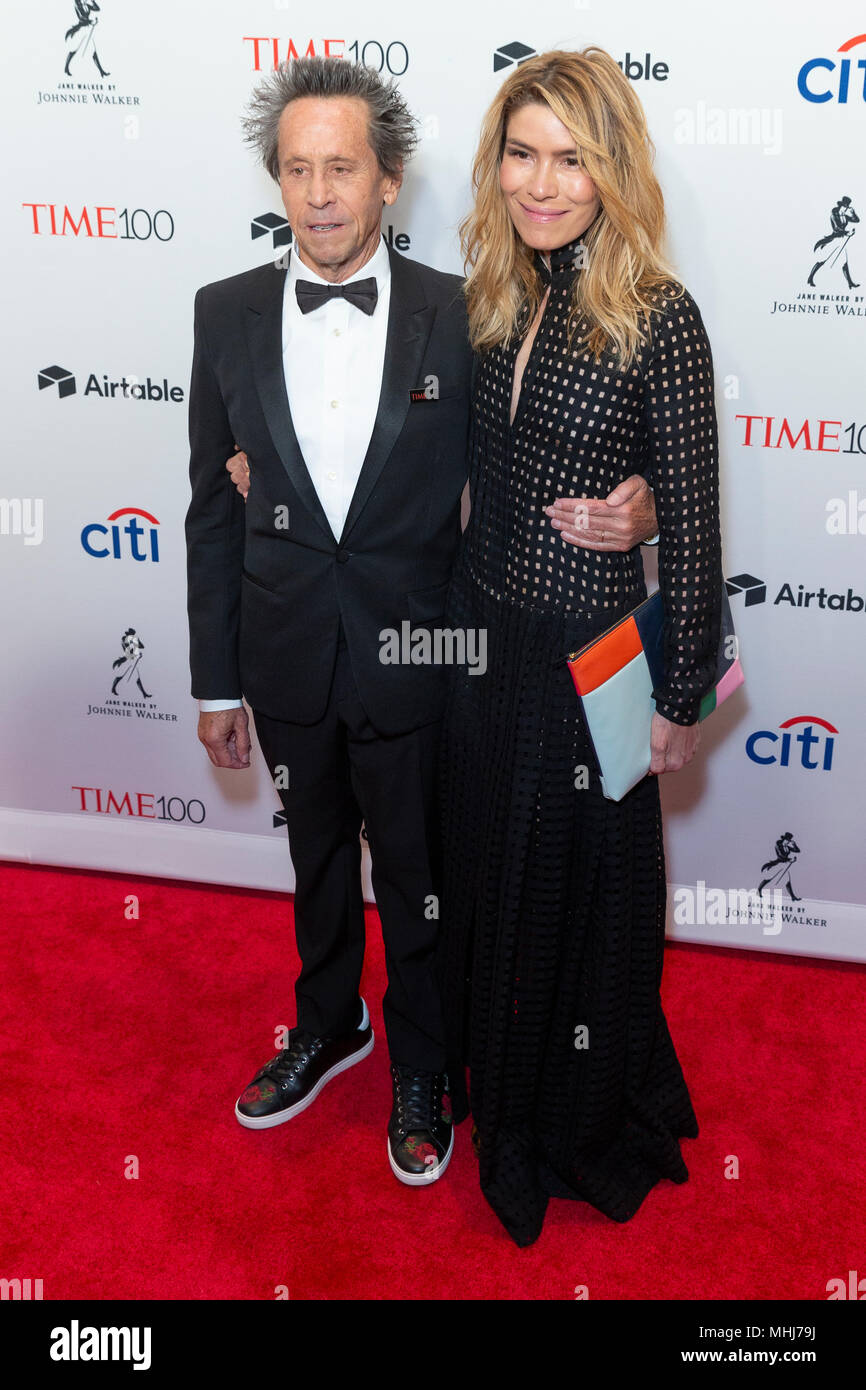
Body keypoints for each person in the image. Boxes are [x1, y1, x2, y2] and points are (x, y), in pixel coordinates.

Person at [203, 58, 658, 1190]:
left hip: (425, 655)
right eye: (298, 170)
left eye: (342, 167)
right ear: (277, 180)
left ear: (389, 179)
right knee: (312, 861)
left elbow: (557, 434)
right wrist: (218, 682)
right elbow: (210, 512)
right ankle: (325, 1024)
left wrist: (639, 499)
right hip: (286, 653)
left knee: (416, 872)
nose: (319, 194)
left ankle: (420, 1066)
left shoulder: (472, 314)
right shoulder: (225, 312)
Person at [435, 47, 724, 1245]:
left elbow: (697, 523)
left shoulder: (657, 315)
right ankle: (482, 1077)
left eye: (569, 158)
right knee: (484, 876)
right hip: (479, 641)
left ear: (611, 169)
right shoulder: (491, 289)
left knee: (573, 893)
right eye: (521, 152)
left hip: (586, 657)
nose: (541, 183)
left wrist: (680, 692)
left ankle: (561, 1116)